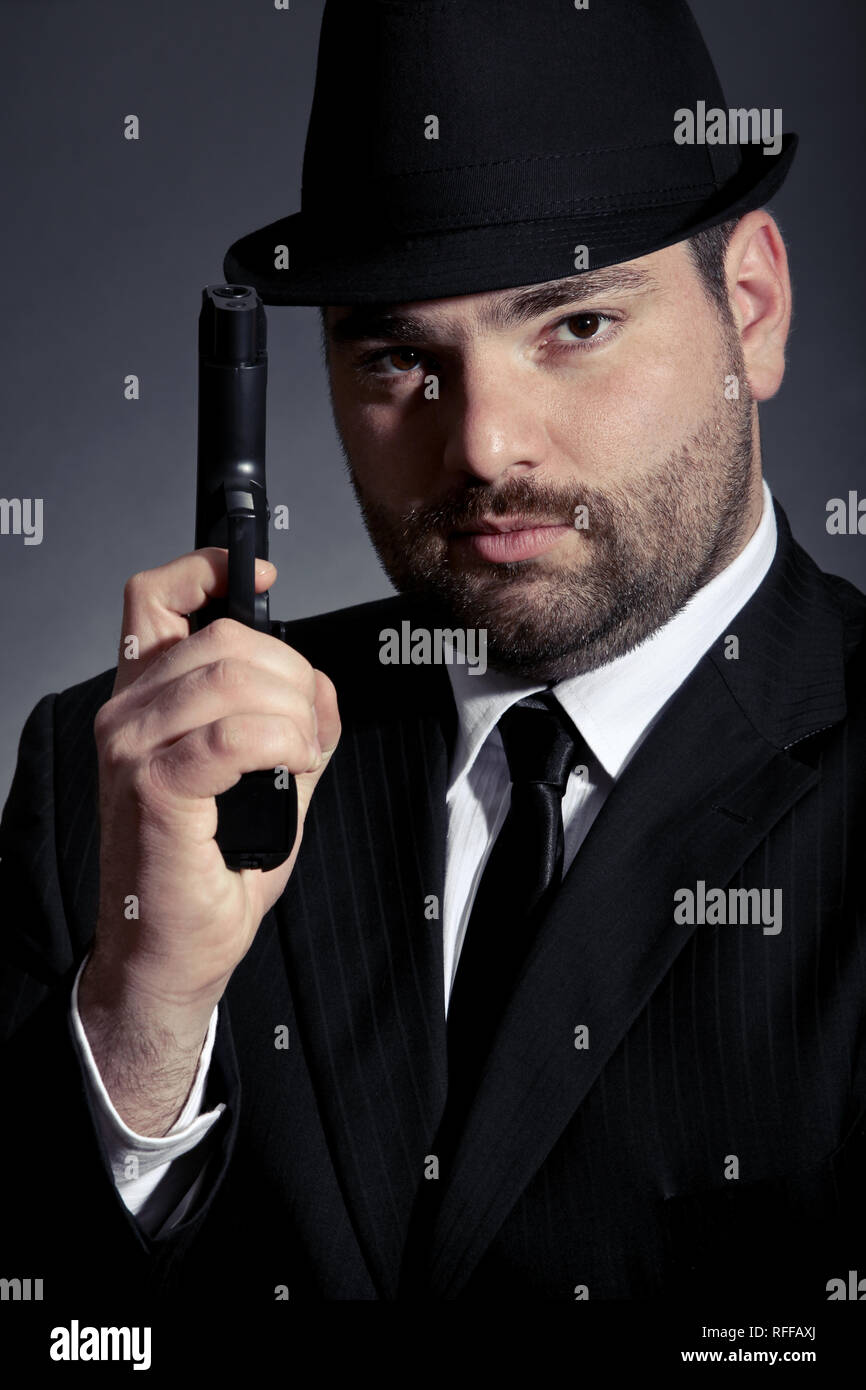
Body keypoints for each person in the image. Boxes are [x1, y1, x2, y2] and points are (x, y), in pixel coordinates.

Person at [1, 0, 863, 1312]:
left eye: (572, 324)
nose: (481, 448)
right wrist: (142, 1021)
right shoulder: (118, 784)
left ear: (748, 308)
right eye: (400, 356)